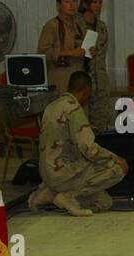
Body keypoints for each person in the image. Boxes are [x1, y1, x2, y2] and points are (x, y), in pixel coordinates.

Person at [30, 70, 127, 216]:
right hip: (63, 173)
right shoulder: (73, 108)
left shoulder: (52, 106)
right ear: (86, 89)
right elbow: (89, 150)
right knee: (118, 169)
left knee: (104, 202)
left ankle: (48, 195)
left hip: (47, 172)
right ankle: (68, 196)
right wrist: (115, 158)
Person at [38, 0, 86, 93]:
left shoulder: (79, 25)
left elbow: (82, 49)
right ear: (59, 5)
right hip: (60, 79)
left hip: (78, 79)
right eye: (67, 1)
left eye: (74, 1)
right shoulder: (52, 25)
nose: (72, 5)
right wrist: (70, 53)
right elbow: (42, 54)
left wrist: (88, 51)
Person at [79, 0, 115, 131]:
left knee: (101, 121)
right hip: (82, 77)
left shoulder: (101, 27)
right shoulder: (76, 23)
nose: (98, 5)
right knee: (82, 121)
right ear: (86, 3)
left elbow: (102, 53)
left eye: (100, 2)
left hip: (99, 79)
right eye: (95, 2)